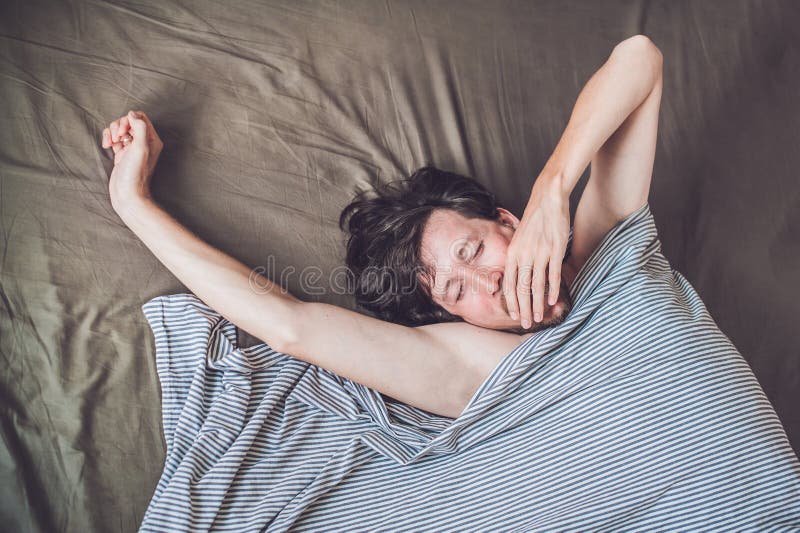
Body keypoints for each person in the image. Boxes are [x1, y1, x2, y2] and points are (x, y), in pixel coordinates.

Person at [100, 34, 663, 419]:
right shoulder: (482, 366)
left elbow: (640, 57)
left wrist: (553, 193)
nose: (486, 283)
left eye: (473, 251)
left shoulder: (605, 248)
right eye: (455, 291)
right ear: (460, 321)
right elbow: (289, 326)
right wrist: (132, 201)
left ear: (508, 224)